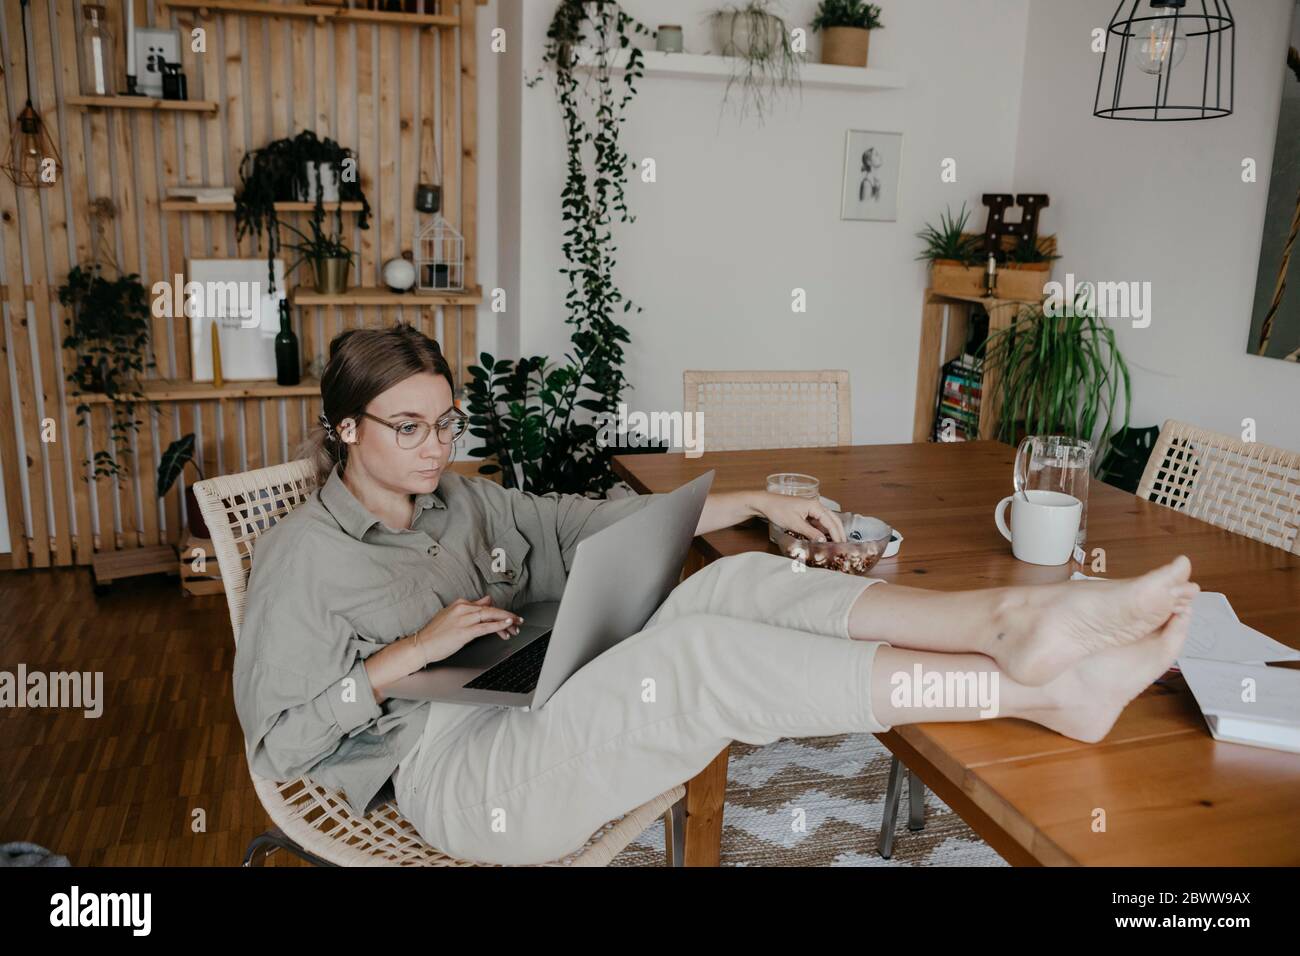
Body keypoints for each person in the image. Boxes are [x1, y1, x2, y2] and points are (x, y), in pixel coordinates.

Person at [232, 322, 1197, 866]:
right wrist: (403, 661)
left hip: (525, 694)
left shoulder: (457, 500)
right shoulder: (299, 562)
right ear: (346, 429)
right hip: (448, 775)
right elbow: (279, 748)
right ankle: (1038, 692)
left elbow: (580, 526)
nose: (436, 449)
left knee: (733, 579)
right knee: (693, 664)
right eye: (409, 428)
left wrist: (754, 499)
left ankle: (1008, 623)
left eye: (447, 424)